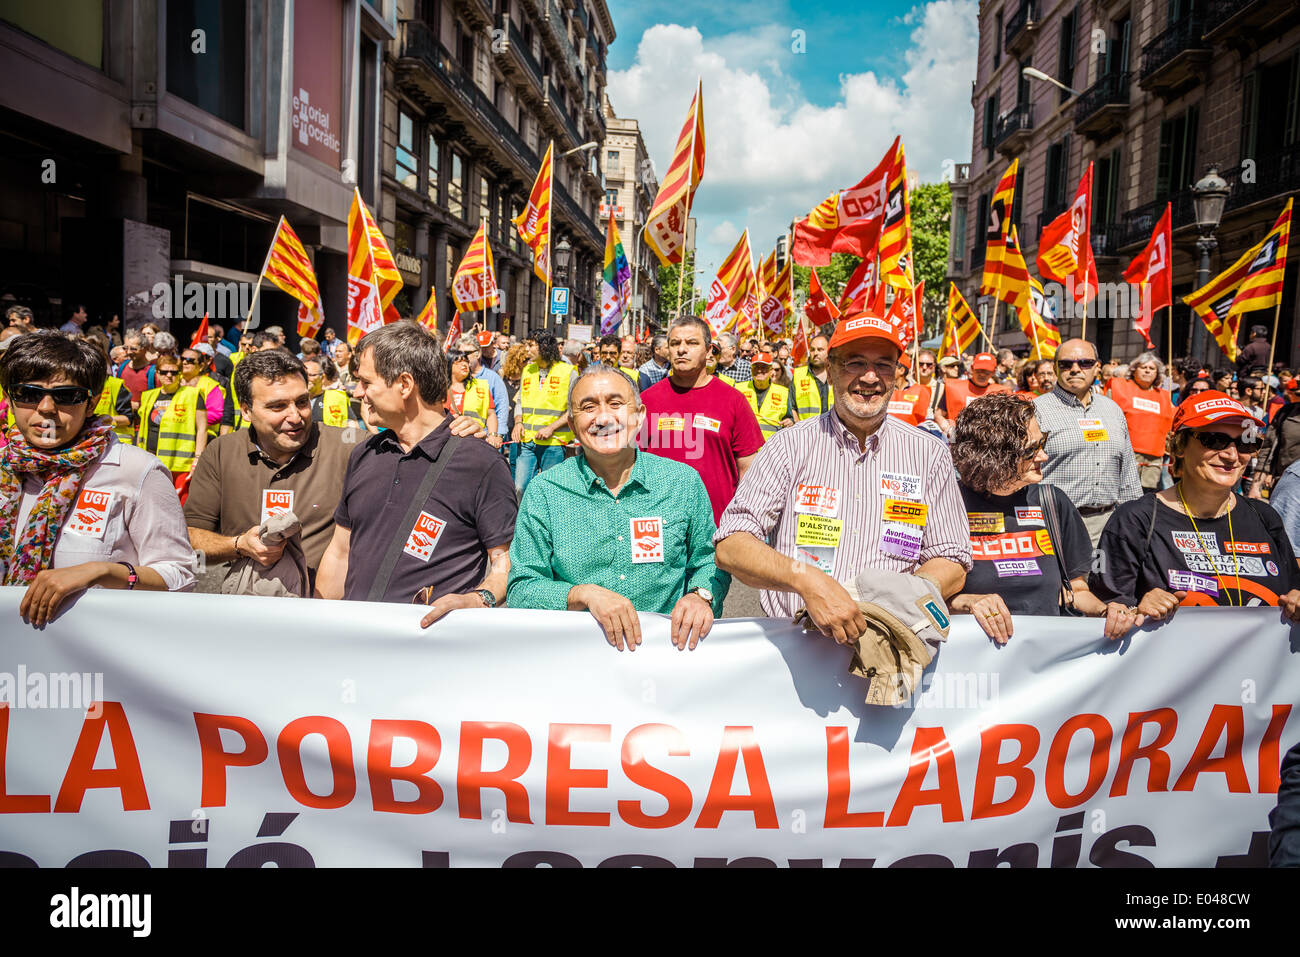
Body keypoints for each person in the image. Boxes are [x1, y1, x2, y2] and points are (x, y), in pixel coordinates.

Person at [714, 310, 970, 643]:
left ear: (896, 375)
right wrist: (806, 581)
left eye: (883, 365)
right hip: (796, 650)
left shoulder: (928, 454)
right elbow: (732, 545)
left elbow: (951, 557)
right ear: (831, 370)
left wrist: (893, 602)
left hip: (891, 650)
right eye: (855, 363)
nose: (869, 377)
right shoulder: (788, 446)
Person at [508, 365, 728, 651]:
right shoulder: (545, 491)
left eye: (615, 404)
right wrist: (581, 594)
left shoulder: (682, 483)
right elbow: (522, 588)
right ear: (573, 425)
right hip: (576, 659)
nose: (603, 417)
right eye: (588, 407)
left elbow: (710, 559)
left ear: (639, 416)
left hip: (667, 657)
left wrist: (700, 595)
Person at [315, 322, 517, 624]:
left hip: (428, 655)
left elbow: (506, 564)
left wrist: (479, 599)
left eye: (367, 383)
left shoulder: (480, 462)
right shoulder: (364, 454)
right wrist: (319, 625)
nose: (357, 393)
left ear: (405, 385)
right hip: (354, 645)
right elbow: (339, 553)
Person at [1, 331, 194, 626]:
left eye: (67, 396)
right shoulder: (5, 467)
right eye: (29, 393)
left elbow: (180, 574)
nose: (46, 408)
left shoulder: (135, 469)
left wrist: (103, 571)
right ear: (10, 398)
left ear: (91, 404)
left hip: (96, 658)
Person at [947, 393, 1139, 643]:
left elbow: (1076, 589)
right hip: (972, 663)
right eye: (1030, 450)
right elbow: (921, 595)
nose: (1043, 456)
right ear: (992, 456)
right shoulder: (948, 504)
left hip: (1043, 663)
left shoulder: (1051, 502)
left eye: (1042, 442)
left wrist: (1105, 611)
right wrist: (964, 602)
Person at [1091, 390, 1300, 618]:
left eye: (1246, 443)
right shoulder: (1135, 519)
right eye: (1215, 440)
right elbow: (1105, 610)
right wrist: (1136, 608)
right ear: (1179, 446)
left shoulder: (1264, 516)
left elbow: (1292, 592)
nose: (1231, 455)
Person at [186, 350, 353, 588]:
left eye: (302, 402)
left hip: (322, 612)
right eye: (278, 406)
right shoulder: (221, 452)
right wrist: (240, 545)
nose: (295, 416)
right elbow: (191, 536)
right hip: (247, 611)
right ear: (245, 411)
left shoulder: (348, 448)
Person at [639, 316, 764, 523]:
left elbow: (748, 469)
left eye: (692, 343)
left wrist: (742, 522)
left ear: (708, 351)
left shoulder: (734, 401)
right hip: (658, 526)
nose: (682, 349)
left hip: (717, 527)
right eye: (675, 343)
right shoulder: (647, 401)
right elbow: (632, 463)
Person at [1034, 338, 1142, 545]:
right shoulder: (1036, 411)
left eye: (1084, 363)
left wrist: (1135, 518)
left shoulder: (1112, 410)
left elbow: (1127, 470)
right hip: (1053, 523)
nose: (1075, 369)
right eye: (1066, 364)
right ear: (1056, 369)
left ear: (1097, 368)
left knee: (1101, 577)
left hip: (1107, 524)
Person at [137, 352, 207, 495]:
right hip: (150, 460)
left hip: (180, 464)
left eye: (174, 372)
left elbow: (202, 428)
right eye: (164, 372)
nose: (169, 375)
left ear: (180, 373)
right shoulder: (148, 396)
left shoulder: (192, 395)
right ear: (157, 373)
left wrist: (198, 458)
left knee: (178, 505)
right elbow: (143, 428)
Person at [512, 332, 574, 494]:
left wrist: (551, 428)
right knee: (520, 488)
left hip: (553, 443)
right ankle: (523, 519)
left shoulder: (568, 372)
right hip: (527, 441)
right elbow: (520, 402)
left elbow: (575, 408)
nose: (526, 349)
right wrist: (518, 422)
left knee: (549, 490)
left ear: (544, 347)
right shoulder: (527, 370)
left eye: (531, 345)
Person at [1105, 351, 1175, 492]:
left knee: (1147, 495)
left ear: (1158, 373)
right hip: (1124, 454)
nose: (1147, 371)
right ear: (1134, 369)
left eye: (1152, 368)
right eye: (1144, 367)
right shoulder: (1119, 387)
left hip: (1153, 459)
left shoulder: (1164, 396)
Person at [934, 352, 1012, 434]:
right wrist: (949, 430)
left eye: (986, 371)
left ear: (993, 372)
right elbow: (938, 414)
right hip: (958, 439)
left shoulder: (1001, 393)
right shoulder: (953, 388)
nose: (982, 374)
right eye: (979, 370)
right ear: (972, 368)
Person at [735, 351, 789, 441]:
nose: (759, 370)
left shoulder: (783, 392)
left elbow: (790, 417)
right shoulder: (739, 389)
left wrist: (790, 421)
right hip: (745, 448)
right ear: (751, 369)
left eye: (764, 367)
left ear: (771, 370)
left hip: (772, 448)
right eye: (756, 367)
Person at [179, 344, 227, 438]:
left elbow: (216, 414)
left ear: (201, 366)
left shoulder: (210, 385)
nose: (184, 362)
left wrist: (188, 418)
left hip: (203, 436)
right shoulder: (173, 381)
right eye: (182, 359)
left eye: (190, 361)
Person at [445, 346, 495, 434]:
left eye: (466, 361)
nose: (464, 364)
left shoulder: (480, 386)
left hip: (474, 438)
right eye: (459, 361)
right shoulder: (440, 388)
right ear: (449, 365)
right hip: (448, 438)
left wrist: (493, 435)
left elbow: (491, 414)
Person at [788, 333, 833, 422]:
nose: (815, 353)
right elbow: (791, 406)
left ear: (828, 351)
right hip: (806, 433)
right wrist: (798, 428)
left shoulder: (837, 374)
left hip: (834, 432)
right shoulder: (798, 374)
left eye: (820, 350)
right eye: (812, 350)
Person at [303, 355, 351, 427]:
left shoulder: (337, 397)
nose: (307, 378)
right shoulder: (292, 398)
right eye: (303, 375)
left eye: (311, 375)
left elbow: (351, 425)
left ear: (322, 377)